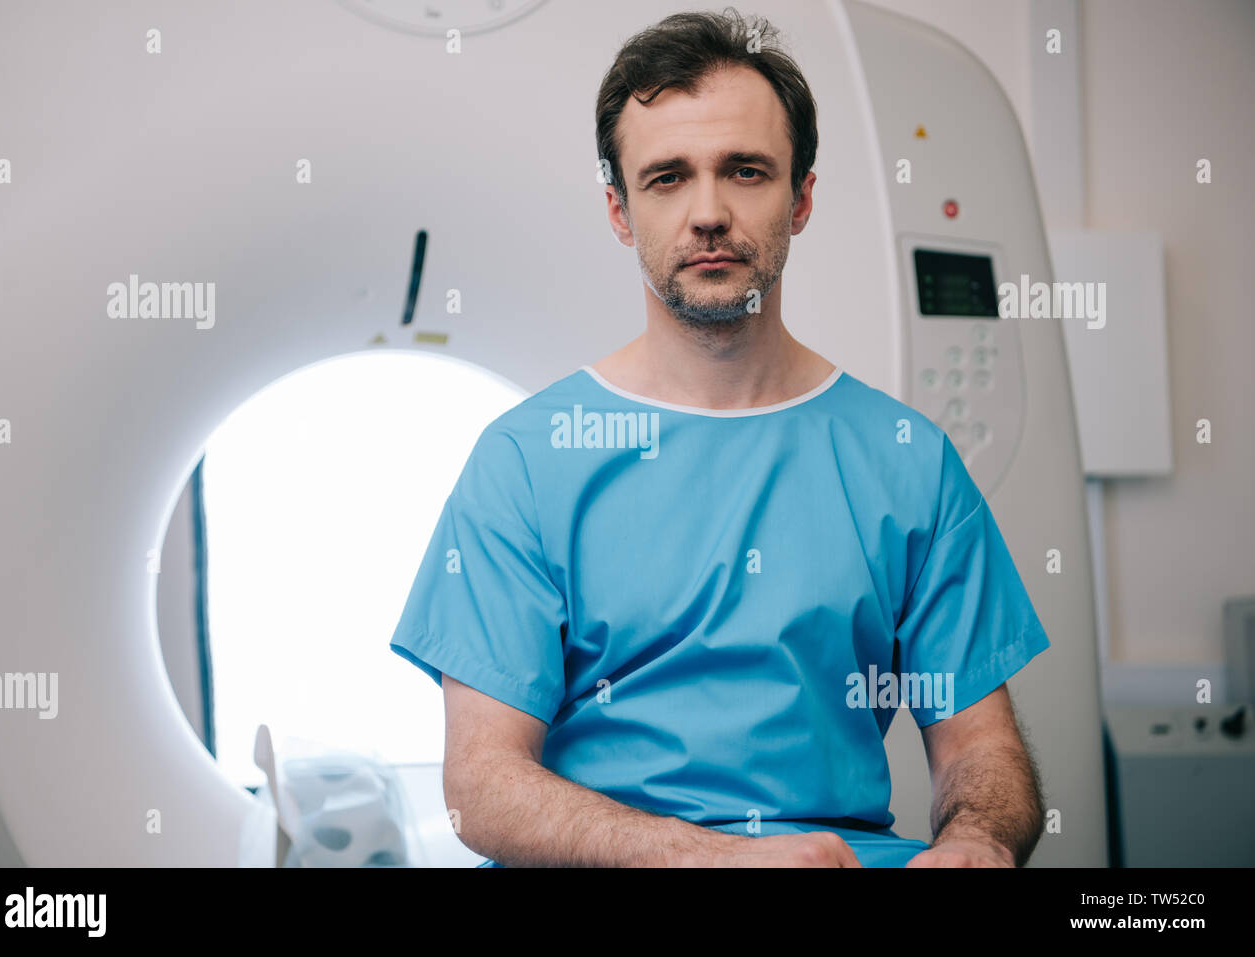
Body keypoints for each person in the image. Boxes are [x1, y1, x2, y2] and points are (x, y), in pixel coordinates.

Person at [390, 9, 1047, 868]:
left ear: (800, 198)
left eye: (745, 171)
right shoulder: (524, 462)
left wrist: (977, 839)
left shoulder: (907, 460)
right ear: (620, 210)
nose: (708, 213)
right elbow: (481, 785)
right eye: (668, 177)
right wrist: (711, 859)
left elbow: (980, 746)